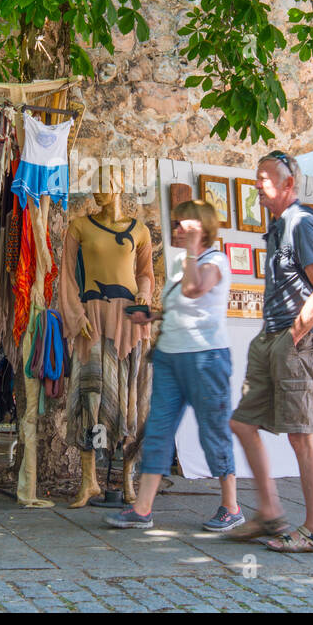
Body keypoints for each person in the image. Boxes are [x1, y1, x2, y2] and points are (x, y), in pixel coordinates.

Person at [105, 199, 240, 530]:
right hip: (170, 357)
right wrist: (152, 314)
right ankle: (142, 508)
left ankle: (231, 506)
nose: (176, 229)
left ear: (201, 229)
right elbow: (185, 307)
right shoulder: (182, 266)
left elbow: (196, 291)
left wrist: (193, 249)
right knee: (158, 432)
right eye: (177, 223)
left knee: (213, 432)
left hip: (206, 359)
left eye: (184, 224)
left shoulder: (215, 261)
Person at [227, 151, 313, 553]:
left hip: (297, 340)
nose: (258, 185)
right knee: (242, 422)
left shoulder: (301, 223)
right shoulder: (276, 228)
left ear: (288, 185)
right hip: (272, 338)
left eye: (265, 179)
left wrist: (292, 336)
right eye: (256, 178)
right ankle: (270, 513)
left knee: (300, 436)